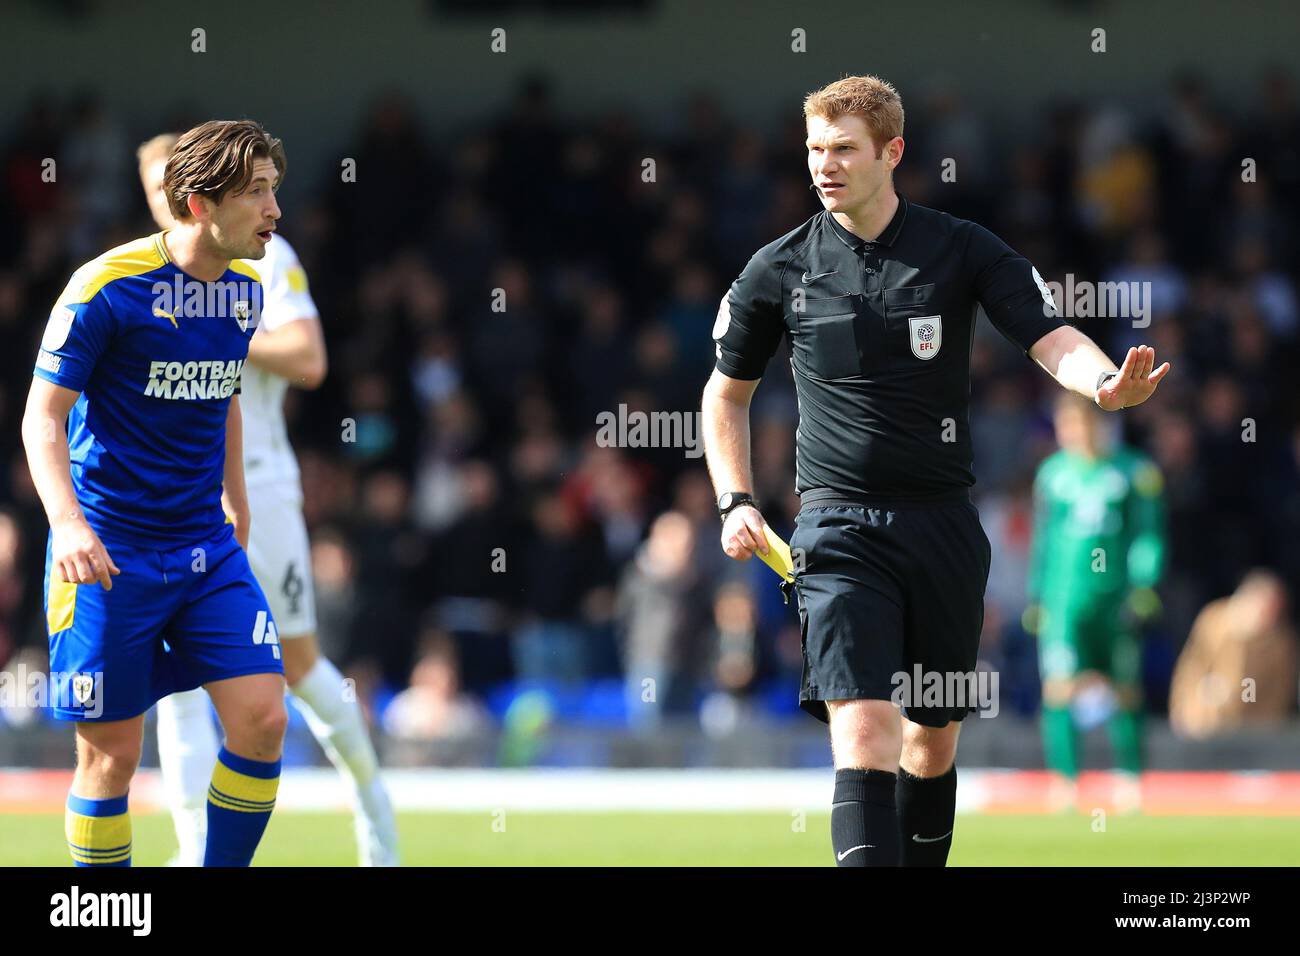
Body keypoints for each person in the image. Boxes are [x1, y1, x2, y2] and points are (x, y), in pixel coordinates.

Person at [701, 75, 1170, 866]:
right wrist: (734, 499)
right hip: (836, 527)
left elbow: (1047, 334)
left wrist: (1100, 384)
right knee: (864, 727)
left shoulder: (963, 248)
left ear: (893, 152)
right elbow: (724, 396)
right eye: (814, 148)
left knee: (931, 739)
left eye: (844, 149)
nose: (825, 164)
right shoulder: (777, 269)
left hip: (943, 524)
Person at [22, 120, 288, 866]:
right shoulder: (105, 288)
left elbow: (226, 394)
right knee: (110, 758)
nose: (274, 211)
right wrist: (68, 524)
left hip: (205, 548)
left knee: (264, 718)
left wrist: (237, 500)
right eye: (258, 193)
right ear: (200, 205)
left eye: (274, 190)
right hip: (109, 555)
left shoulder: (245, 291)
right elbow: (41, 416)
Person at [137, 133, 399, 867]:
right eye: (153, 183)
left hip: (263, 486)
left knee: (295, 663)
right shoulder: (140, 273)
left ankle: (374, 807)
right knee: (179, 677)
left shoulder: (262, 254)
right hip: (177, 496)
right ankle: (194, 851)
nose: (163, 194)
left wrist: (214, 336)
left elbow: (310, 359)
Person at [1026, 393, 1166, 812]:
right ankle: (1066, 783)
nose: (1076, 434)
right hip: (1065, 599)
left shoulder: (1135, 473)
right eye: (1067, 426)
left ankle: (1130, 780)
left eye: (1083, 424)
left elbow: (1148, 534)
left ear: (1100, 425)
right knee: (1058, 688)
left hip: (1116, 598)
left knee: (1124, 690)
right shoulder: (1051, 475)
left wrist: (1144, 584)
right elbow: (1044, 539)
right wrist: (1039, 593)